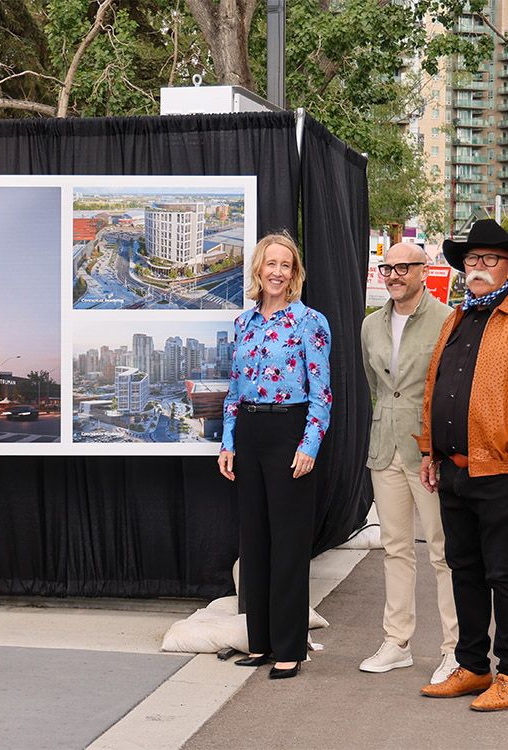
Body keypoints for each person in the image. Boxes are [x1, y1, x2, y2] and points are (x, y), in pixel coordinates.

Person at [416, 219, 508, 711]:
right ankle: (474, 667)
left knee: (503, 573)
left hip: (505, 472)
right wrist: (429, 451)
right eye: (471, 260)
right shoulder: (459, 316)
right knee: (464, 569)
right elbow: (434, 385)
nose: (476, 268)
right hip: (456, 468)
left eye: (488, 260)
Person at [218, 232, 332, 679]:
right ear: (258, 270)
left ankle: (289, 648)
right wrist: (228, 441)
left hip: (290, 430)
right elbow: (233, 389)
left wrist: (309, 445)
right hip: (249, 431)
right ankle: (261, 642)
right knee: (256, 543)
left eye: (286, 265)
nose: (278, 272)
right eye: (271, 264)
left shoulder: (310, 323)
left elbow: (323, 393)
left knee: (288, 544)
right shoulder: (244, 323)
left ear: (295, 272)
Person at [359, 243, 459, 683]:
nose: (394, 274)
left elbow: (450, 390)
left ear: (424, 271)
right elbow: (376, 388)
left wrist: (438, 449)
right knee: (396, 548)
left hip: (428, 453)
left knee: (443, 552)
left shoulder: (446, 321)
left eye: (404, 267)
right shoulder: (369, 326)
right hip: (385, 449)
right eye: (387, 267)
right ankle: (397, 641)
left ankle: (456, 649)